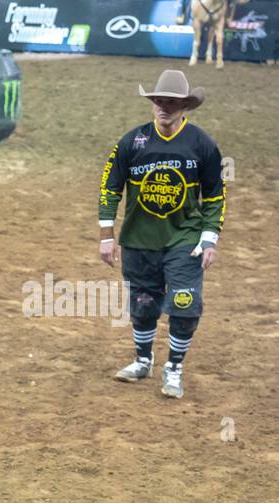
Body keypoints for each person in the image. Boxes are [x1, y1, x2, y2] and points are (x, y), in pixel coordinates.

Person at [100, 69, 225, 399]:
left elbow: (214, 194)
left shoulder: (202, 144)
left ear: (185, 106)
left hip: (186, 239)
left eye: (171, 102)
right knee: (142, 304)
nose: (163, 107)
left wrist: (210, 236)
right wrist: (106, 235)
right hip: (139, 240)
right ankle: (143, 360)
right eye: (158, 100)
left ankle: (174, 367)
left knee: (184, 303)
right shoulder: (132, 141)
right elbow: (110, 187)